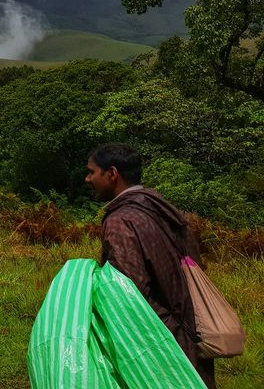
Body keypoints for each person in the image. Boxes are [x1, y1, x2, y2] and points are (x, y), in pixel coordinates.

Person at [85, 142, 215, 389]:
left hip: (160, 345)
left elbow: (126, 294)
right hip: (192, 331)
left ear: (112, 174)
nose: (88, 179)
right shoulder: (162, 209)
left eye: (92, 172)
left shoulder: (121, 220)